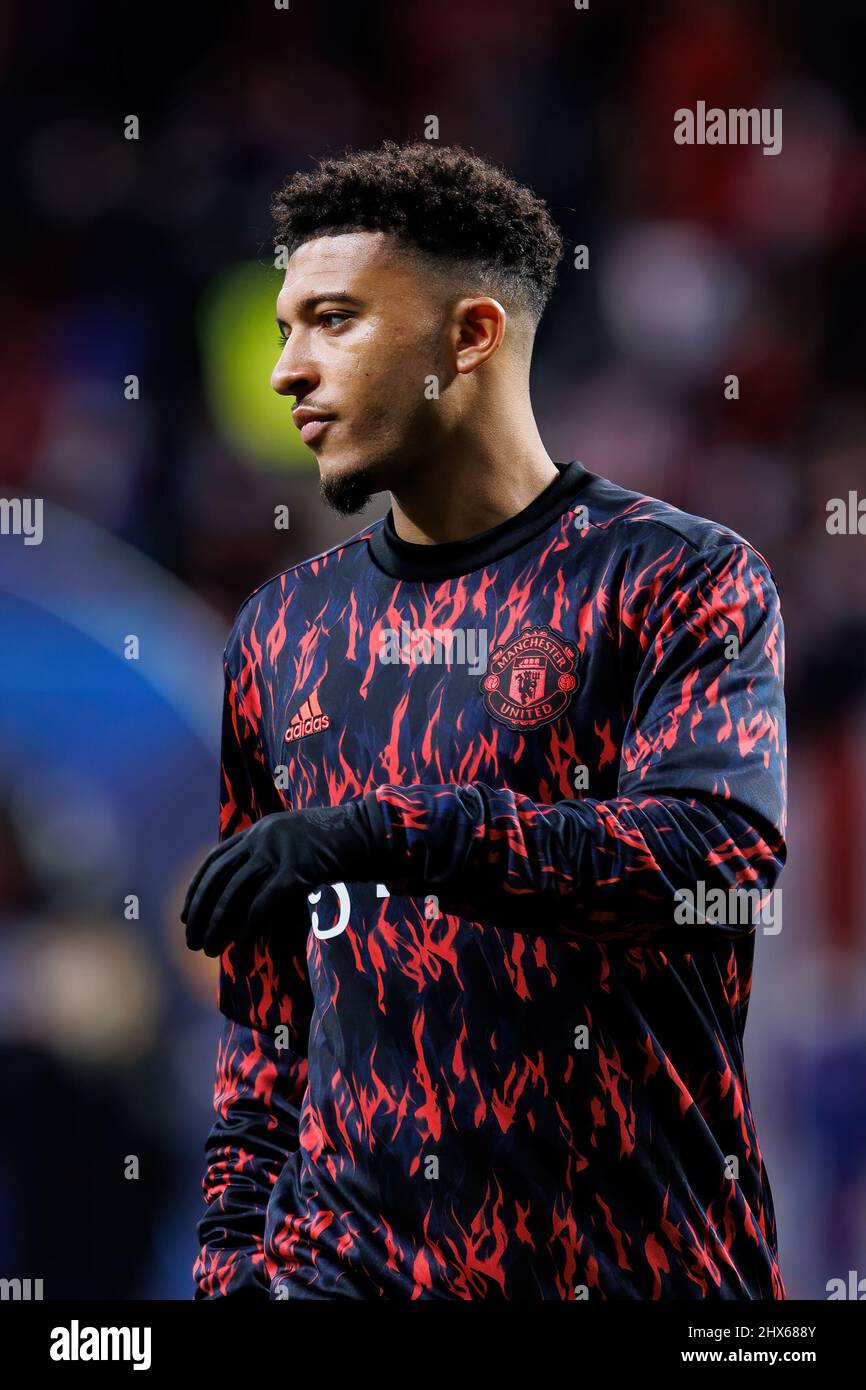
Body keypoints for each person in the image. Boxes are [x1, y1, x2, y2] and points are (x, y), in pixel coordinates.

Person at [184, 141, 787, 1300]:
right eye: (283, 328)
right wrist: (226, 1271)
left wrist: (392, 834)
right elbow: (264, 1030)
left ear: (468, 336)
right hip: (341, 1276)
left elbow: (716, 860)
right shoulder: (281, 631)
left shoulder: (674, 579)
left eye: (333, 320)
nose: (285, 371)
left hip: (629, 1270)